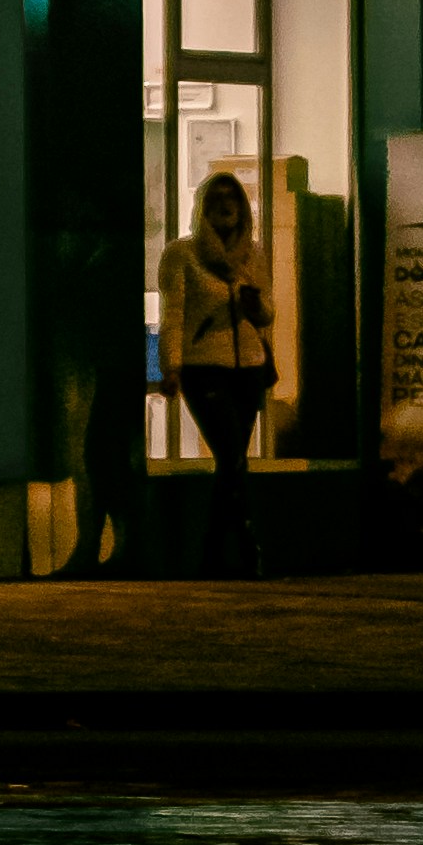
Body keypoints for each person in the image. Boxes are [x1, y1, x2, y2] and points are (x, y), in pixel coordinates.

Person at [158, 164, 276, 578]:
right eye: (217, 200)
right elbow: (172, 314)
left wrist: (254, 305)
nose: (226, 208)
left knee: (232, 461)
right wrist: (170, 365)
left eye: (233, 201)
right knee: (230, 454)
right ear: (203, 207)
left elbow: (268, 315)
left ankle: (211, 555)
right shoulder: (182, 254)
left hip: (249, 368)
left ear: (243, 209)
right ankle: (249, 546)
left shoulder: (253, 254)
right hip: (203, 368)